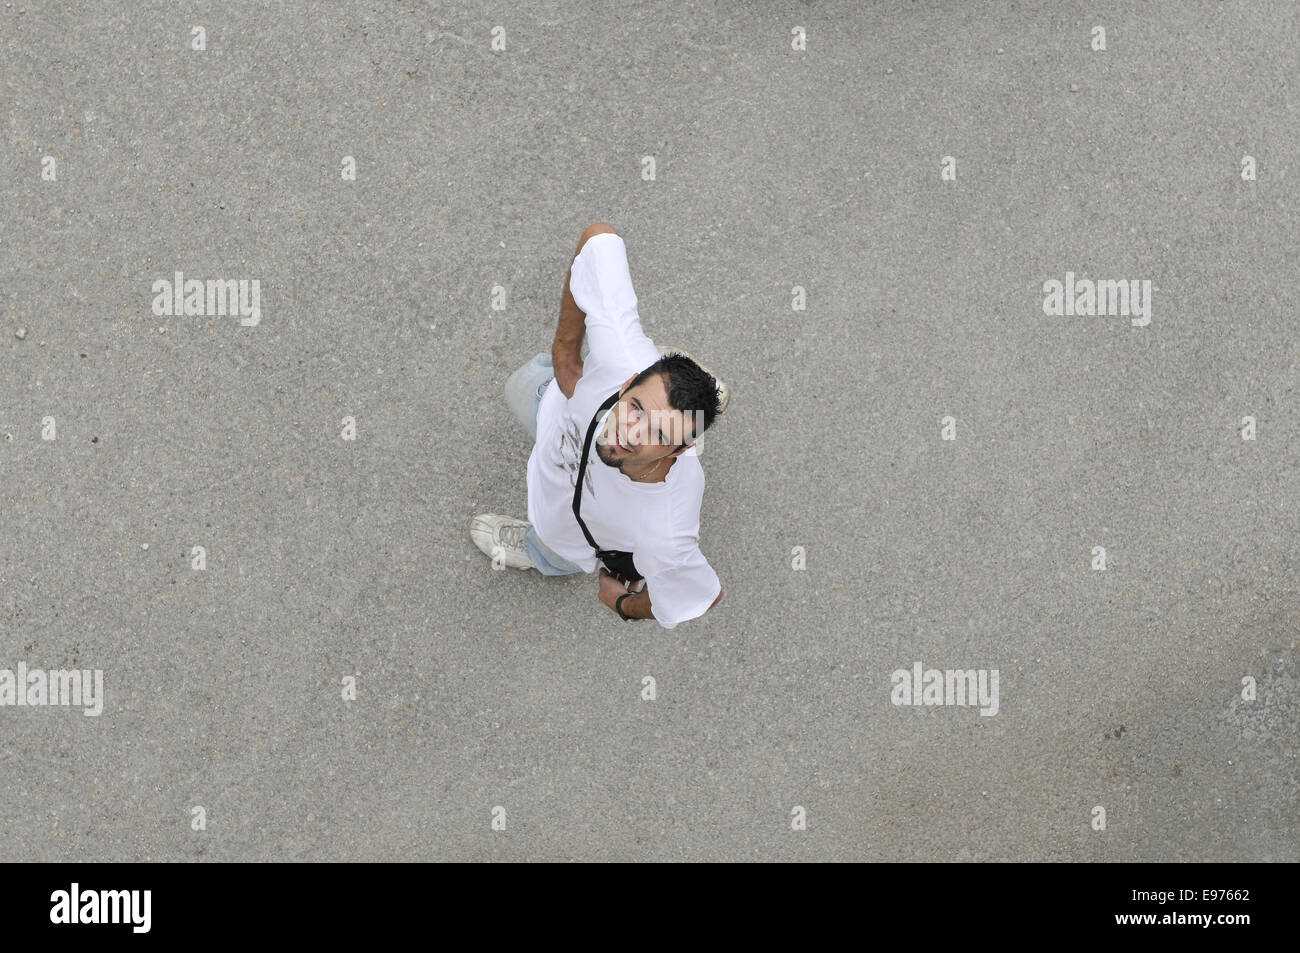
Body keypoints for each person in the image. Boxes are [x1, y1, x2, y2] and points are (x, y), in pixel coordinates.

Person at [470, 222, 728, 627]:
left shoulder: (665, 530)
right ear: (627, 383)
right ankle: (692, 388)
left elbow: (696, 598)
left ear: (679, 452)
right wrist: (566, 351)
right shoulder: (620, 358)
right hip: (558, 412)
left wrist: (622, 605)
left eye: (660, 434)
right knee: (518, 387)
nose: (631, 433)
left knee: (552, 550)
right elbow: (598, 240)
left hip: (570, 536)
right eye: (637, 408)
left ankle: (536, 551)